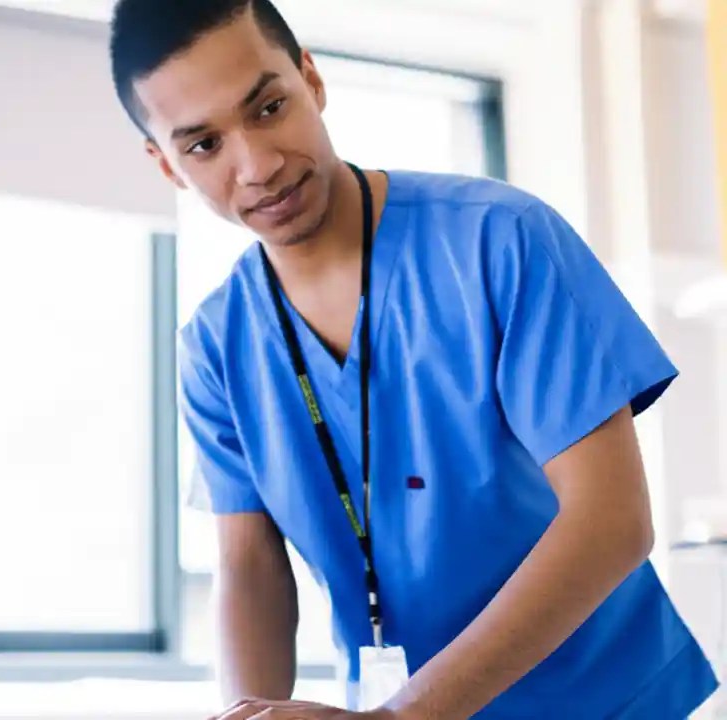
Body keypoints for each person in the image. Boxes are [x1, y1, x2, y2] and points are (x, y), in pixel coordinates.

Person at [107, 1, 719, 718]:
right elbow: (249, 567)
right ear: (167, 164)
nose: (258, 166)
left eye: (269, 108)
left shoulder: (501, 241)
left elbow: (613, 521)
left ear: (312, 80)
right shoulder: (214, 347)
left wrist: (402, 718)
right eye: (205, 145)